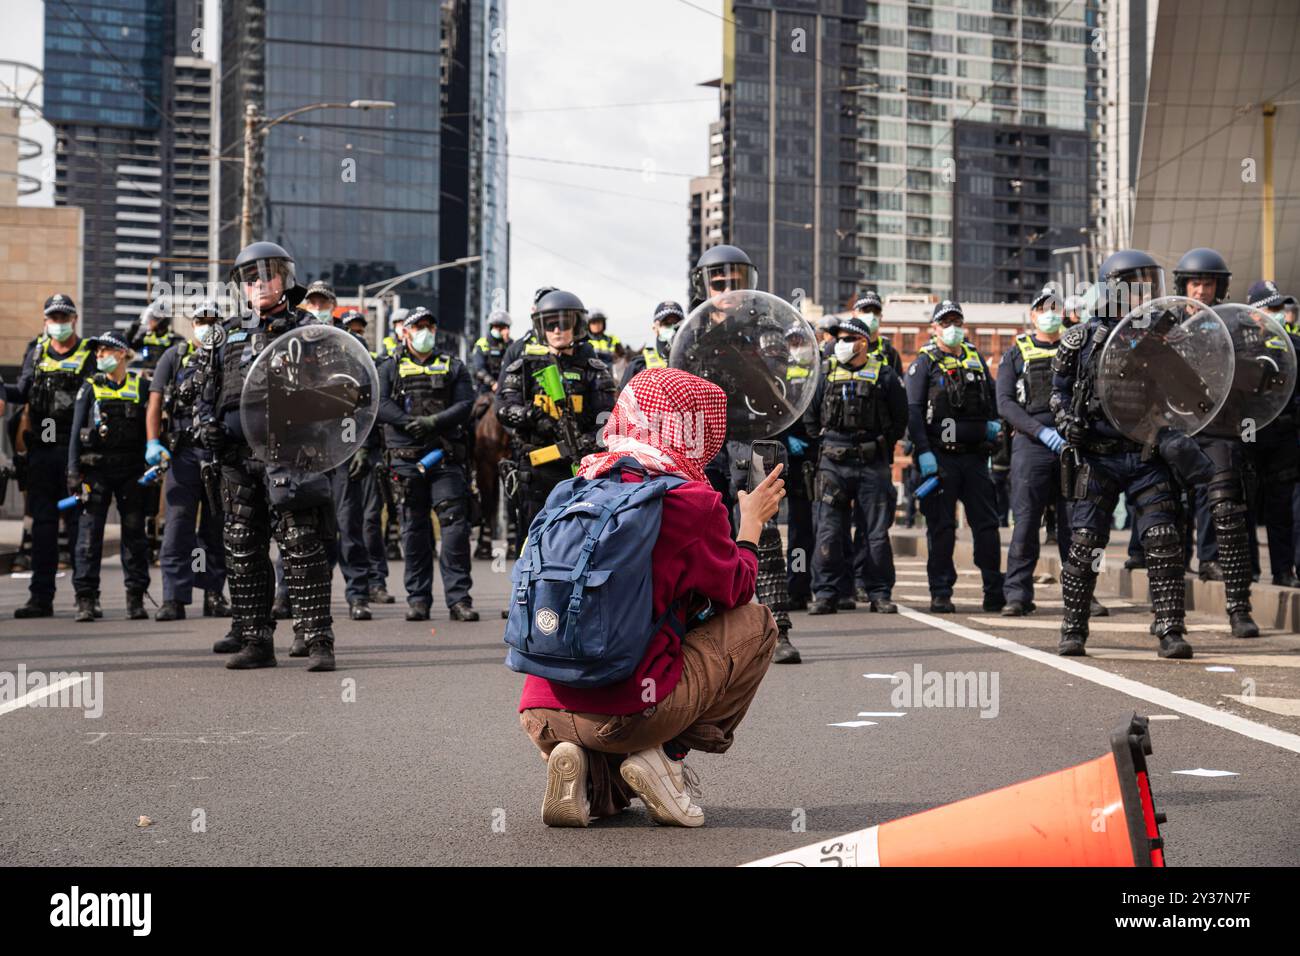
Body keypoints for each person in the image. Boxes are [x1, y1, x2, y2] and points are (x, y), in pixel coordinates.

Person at [518, 368, 781, 827]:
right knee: (758, 624)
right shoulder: (689, 502)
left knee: (609, 793)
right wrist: (751, 526)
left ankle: (586, 777)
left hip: (540, 708)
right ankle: (668, 757)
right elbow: (737, 590)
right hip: (631, 714)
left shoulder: (573, 485)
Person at [196, 240, 341, 672]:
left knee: (301, 545)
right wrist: (207, 425)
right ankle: (256, 639)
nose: (259, 283)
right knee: (242, 547)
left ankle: (317, 640)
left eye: (267, 274)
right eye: (250, 277)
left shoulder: (309, 331)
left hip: (290, 456)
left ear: (285, 279)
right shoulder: (224, 334)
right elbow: (204, 392)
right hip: (237, 459)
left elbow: (338, 392)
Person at [1052, 249, 1202, 659]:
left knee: (1163, 539)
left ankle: (1171, 629)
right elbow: (1058, 392)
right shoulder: (1079, 338)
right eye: (1137, 287)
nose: (1146, 294)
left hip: (1145, 454)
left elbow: (1190, 392)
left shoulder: (1157, 338)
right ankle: (1073, 630)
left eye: (1149, 285)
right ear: (1114, 290)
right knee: (1086, 544)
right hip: (1098, 457)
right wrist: (1067, 423)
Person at [1175, 250, 1259, 637]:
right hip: (1175, 431)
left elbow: (1252, 376)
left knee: (1226, 509)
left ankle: (1239, 609)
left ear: (1219, 286)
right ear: (1184, 286)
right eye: (1195, 283)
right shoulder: (1168, 322)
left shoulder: (1235, 324)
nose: (1202, 290)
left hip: (1219, 430)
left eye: (1208, 283)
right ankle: (1169, 619)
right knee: (1165, 518)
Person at [377, 306, 479, 622]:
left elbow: (465, 404)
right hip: (405, 461)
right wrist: (408, 423)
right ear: (404, 332)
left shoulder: (453, 365)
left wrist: (433, 422)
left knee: (454, 528)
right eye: (417, 326)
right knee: (413, 530)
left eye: (429, 327)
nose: (424, 332)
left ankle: (458, 600)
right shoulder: (389, 366)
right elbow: (379, 404)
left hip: (445, 456)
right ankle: (418, 599)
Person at [905, 299, 1005, 613]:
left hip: (976, 458)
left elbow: (993, 398)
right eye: (945, 322)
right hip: (941, 459)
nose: (952, 328)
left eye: (956, 322)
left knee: (987, 526)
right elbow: (914, 411)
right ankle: (941, 592)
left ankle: (993, 589)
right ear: (934, 328)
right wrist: (923, 452)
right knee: (942, 528)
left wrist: (995, 426)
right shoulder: (924, 362)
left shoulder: (974, 356)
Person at [805, 313, 907, 615]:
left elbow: (900, 418)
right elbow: (810, 416)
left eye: (848, 339)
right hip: (832, 464)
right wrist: (824, 444)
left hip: (871, 462)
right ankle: (826, 593)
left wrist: (879, 446)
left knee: (875, 533)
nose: (841, 344)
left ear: (863, 342)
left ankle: (878, 592)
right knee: (828, 531)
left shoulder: (884, 374)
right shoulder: (825, 372)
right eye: (838, 339)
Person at [147, 300, 233, 636]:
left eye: (213, 321)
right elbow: (155, 401)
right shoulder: (174, 356)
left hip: (218, 453)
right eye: (201, 320)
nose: (207, 326)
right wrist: (152, 443)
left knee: (217, 527)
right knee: (178, 527)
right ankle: (174, 598)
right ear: (192, 324)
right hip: (182, 453)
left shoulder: (228, 356)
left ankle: (213, 593)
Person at [497, 289, 616, 531]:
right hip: (536, 468)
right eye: (550, 325)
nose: (557, 330)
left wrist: (589, 441)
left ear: (577, 324)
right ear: (541, 328)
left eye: (564, 323)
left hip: (580, 467)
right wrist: (531, 415)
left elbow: (608, 418)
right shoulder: (524, 368)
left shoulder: (594, 369)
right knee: (532, 540)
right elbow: (503, 408)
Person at [6, 294, 95, 618]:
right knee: (42, 528)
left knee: (79, 527)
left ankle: (86, 598)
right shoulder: (37, 350)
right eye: (53, 318)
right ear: (46, 322)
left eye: (64, 317)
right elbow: (23, 390)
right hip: (42, 453)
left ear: (74, 319)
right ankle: (40, 598)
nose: (58, 323)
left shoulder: (88, 353)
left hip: (75, 455)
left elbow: (96, 400)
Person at [67, 330, 152, 622]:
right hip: (97, 470)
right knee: (89, 537)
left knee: (135, 537)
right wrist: (72, 472)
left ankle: (135, 598)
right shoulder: (89, 387)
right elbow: (75, 434)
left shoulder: (141, 386)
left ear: (122, 354)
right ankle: (86, 600)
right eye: (98, 351)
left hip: (131, 471)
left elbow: (149, 431)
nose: (99, 355)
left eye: (105, 350)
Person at [996, 288, 1071, 617]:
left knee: (1076, 527)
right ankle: (1017, 594)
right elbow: (1005, 403)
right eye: (1044, 309)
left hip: (1071, 444)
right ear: (1033, 315)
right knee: (1025, 524)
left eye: (1056, 308)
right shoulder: (1016, 353)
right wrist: (1040, 431)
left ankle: (1080, 594)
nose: (1050, 313)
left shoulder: (1077, 348)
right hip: (1031, 444)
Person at [1247, 281, 1300, 587]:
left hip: (1282, 437)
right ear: (1254, 312)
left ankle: (1283, 571)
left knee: (1281, 508)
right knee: (1246, 507)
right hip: (1250, 435)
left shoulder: (1292, 347)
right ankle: (1249, 571)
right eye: (1269, 308)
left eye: (1278, 308)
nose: (1275, 314)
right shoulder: (1238, 346)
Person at [619, 301, 684, 390]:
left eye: (677, 324)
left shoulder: (694, 363)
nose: (673, 328)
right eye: (666, 324)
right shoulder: (638, 366)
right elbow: (625, 401)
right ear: (655, 328)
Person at [126, 299, 183, 373]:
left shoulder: (175, 339)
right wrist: (134, 327)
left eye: (152, 319)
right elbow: (127, 346)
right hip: (146, 375)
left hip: (165, 377)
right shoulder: (147, 336)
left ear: (162, 320)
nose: (149, 321)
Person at [470, 311, 512, 395]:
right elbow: (478, 369)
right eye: (497, 327)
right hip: (485, 390)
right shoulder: (482, 344)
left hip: (505, 388)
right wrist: (492, 383)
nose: (500, 330)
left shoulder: (511, 344)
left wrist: (507, 343)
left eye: (503, 327)